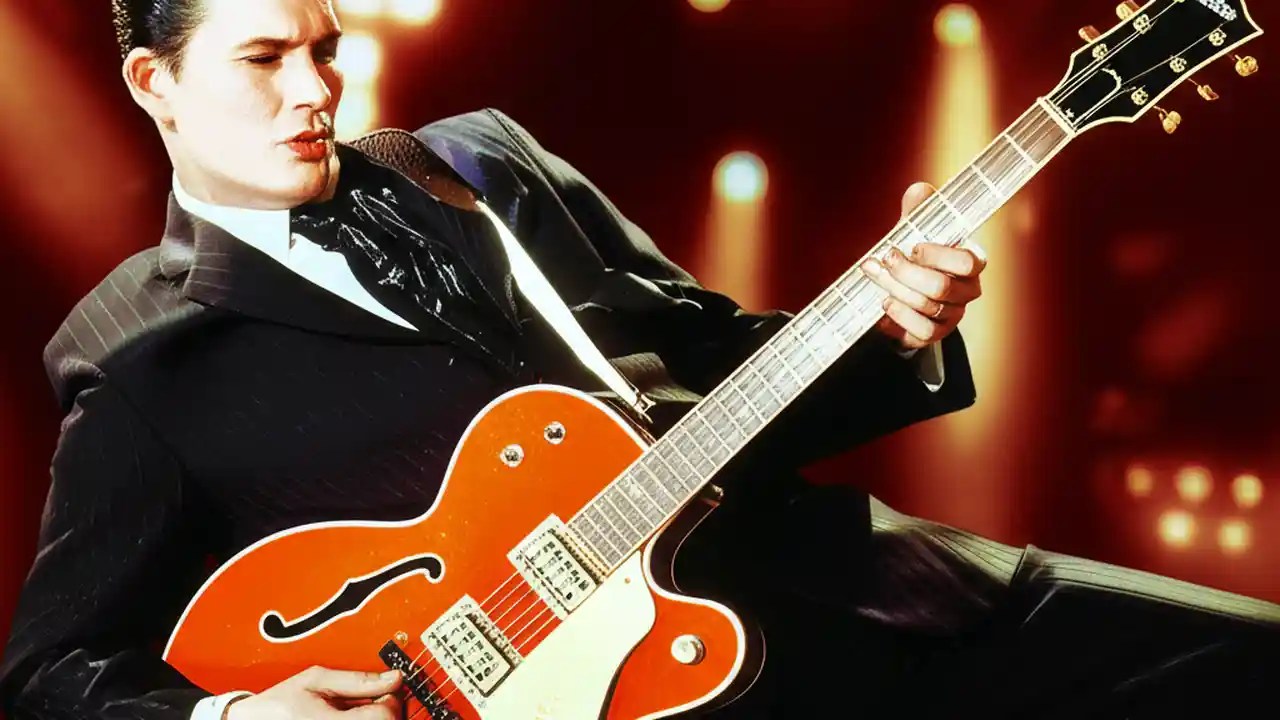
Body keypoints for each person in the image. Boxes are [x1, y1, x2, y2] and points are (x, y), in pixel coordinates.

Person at [2, 1, 1278, 719]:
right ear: (153, 83)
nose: (313, 90)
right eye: (263, 60)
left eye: (323, 47)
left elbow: (718, 369)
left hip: (849, 595)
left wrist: (896, 328)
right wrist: (230, 717)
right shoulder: (136, 352)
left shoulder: (475, 163)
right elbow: (52, 672)